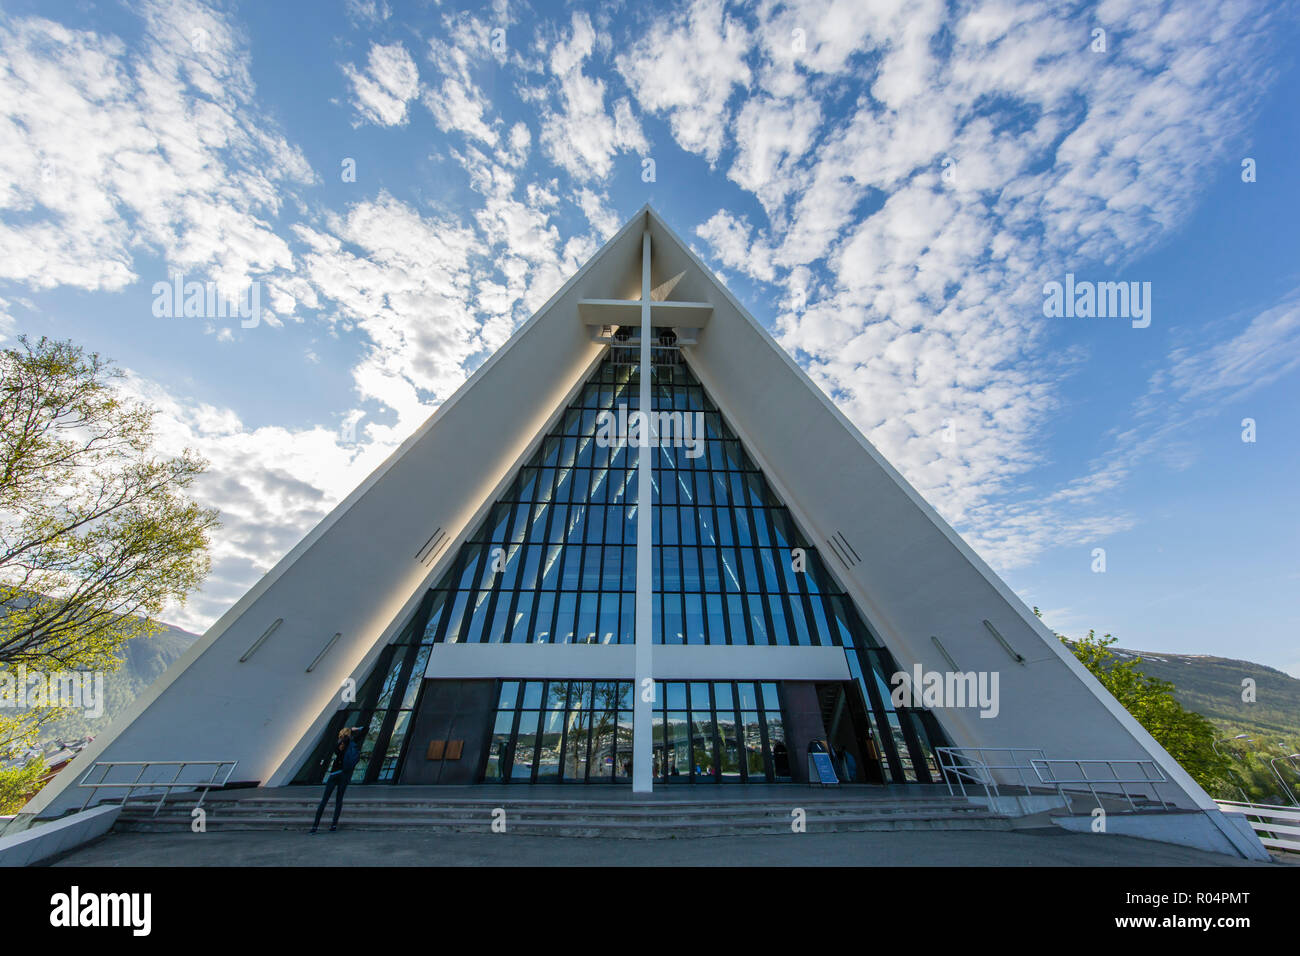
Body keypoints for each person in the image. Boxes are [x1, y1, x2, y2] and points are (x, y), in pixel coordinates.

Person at [311, 725, 364, 833]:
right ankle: (333, 825)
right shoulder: (351, 743)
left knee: (324, 800)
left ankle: (315, 826)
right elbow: (364, 730)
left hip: (334, 773)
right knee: (339, 800)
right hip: (344, 774)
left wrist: (348, 731)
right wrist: (354, 730)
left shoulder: (337, 744)